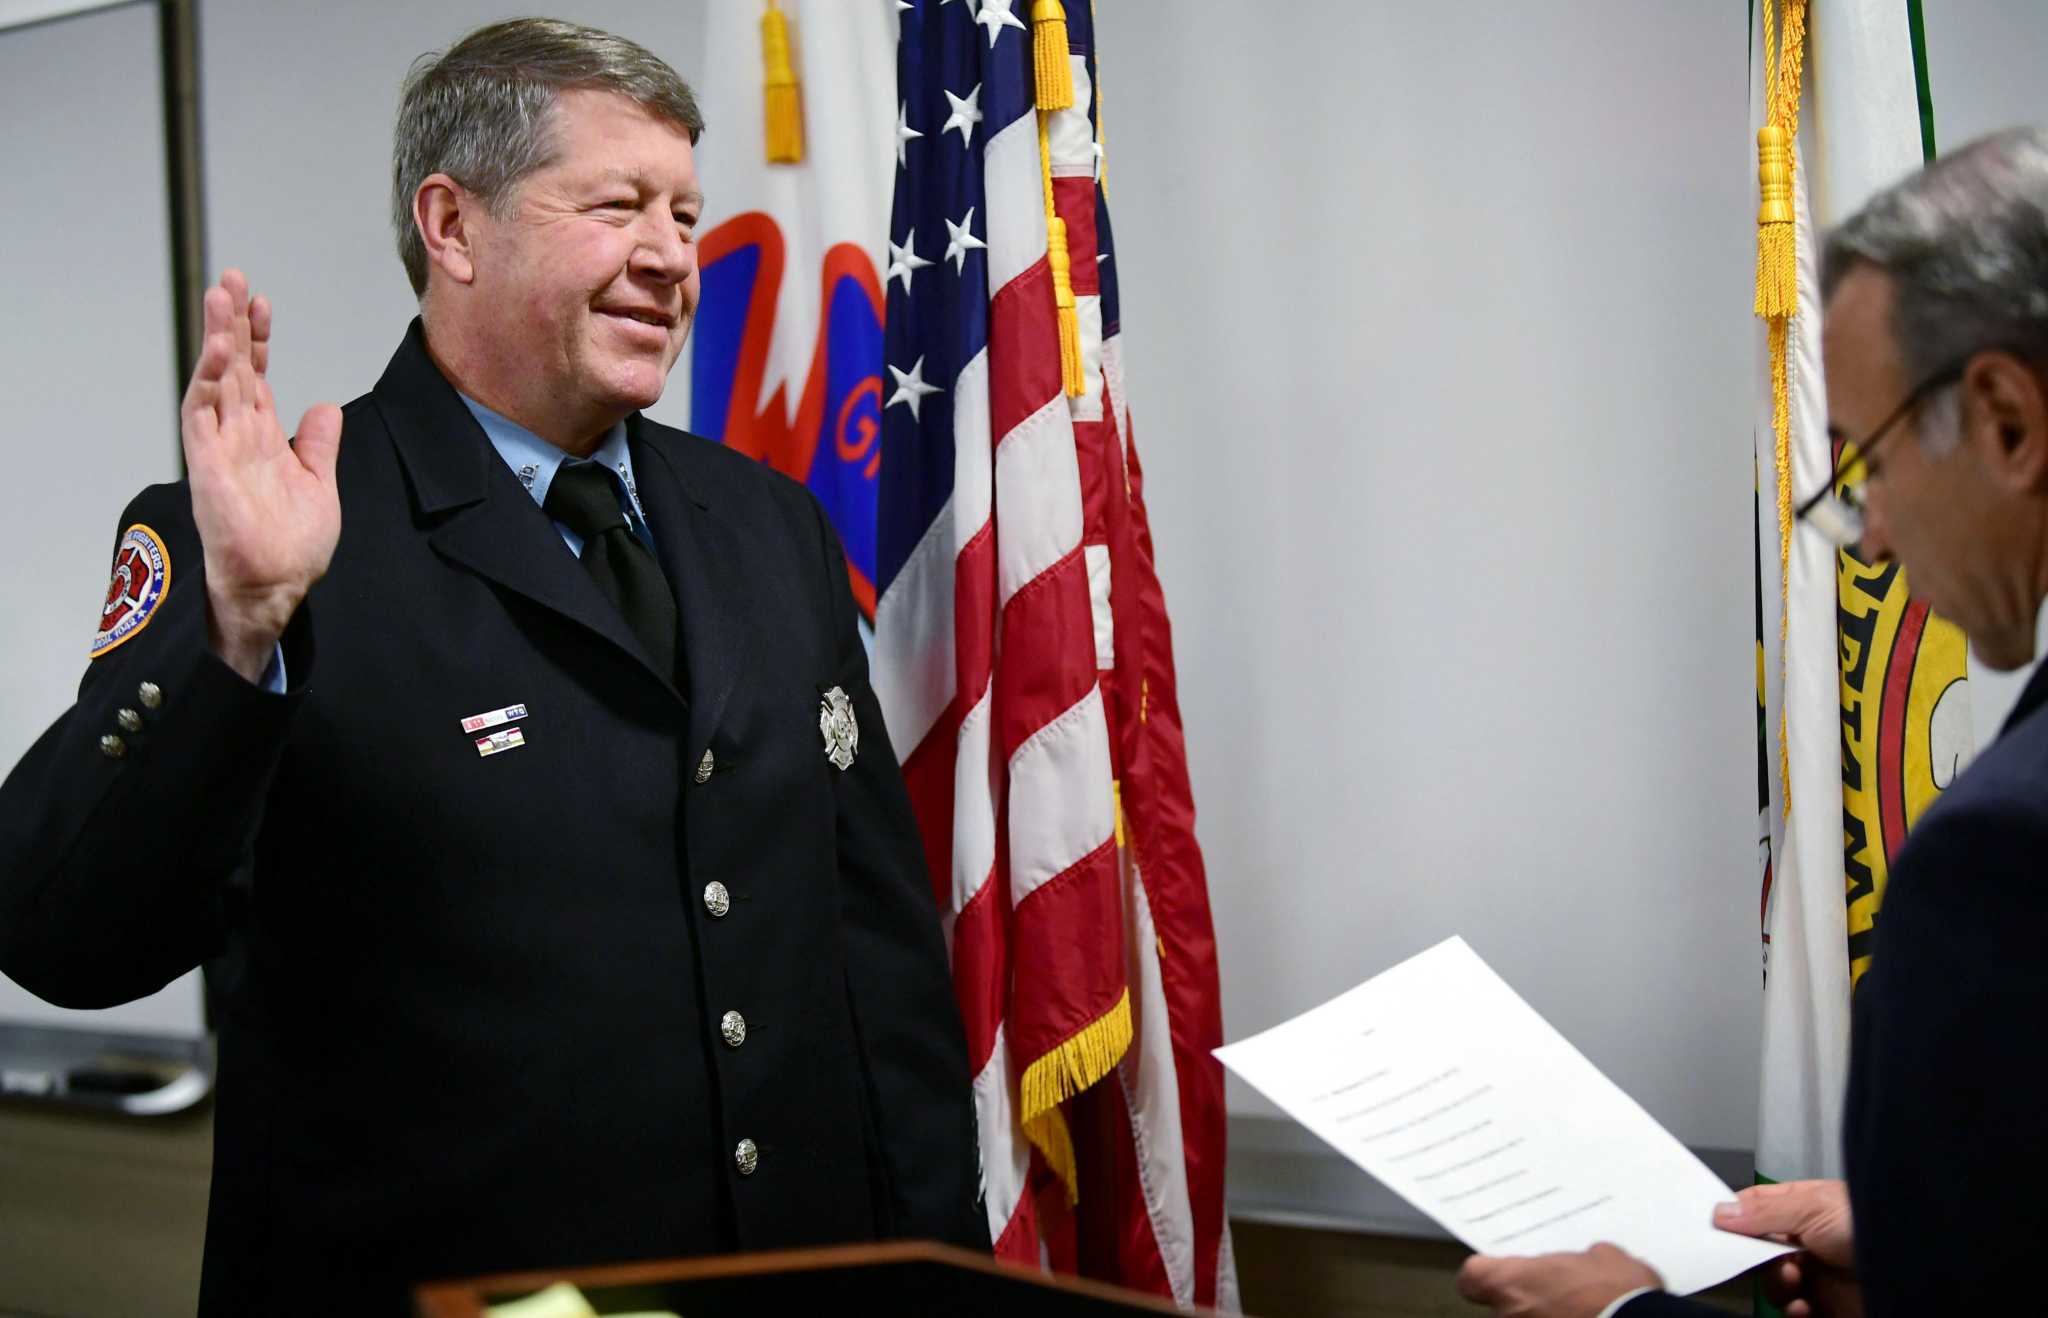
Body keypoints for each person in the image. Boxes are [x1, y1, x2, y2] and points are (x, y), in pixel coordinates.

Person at [0, 18, 985, 1314]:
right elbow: (64, 936)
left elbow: (878, 965)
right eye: (617, 206)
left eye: (686, 216)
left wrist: (941, 1272)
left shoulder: (766, 522)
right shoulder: (276, 532)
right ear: (453, 227)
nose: (670, 256)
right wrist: (238, 631)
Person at [1456, 124, 2048, 1318]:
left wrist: (1622, 1312)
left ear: (2003, 422)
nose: (1868, 536)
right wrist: (1925, 1234)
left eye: (1866, 463)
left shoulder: (2002, 855)